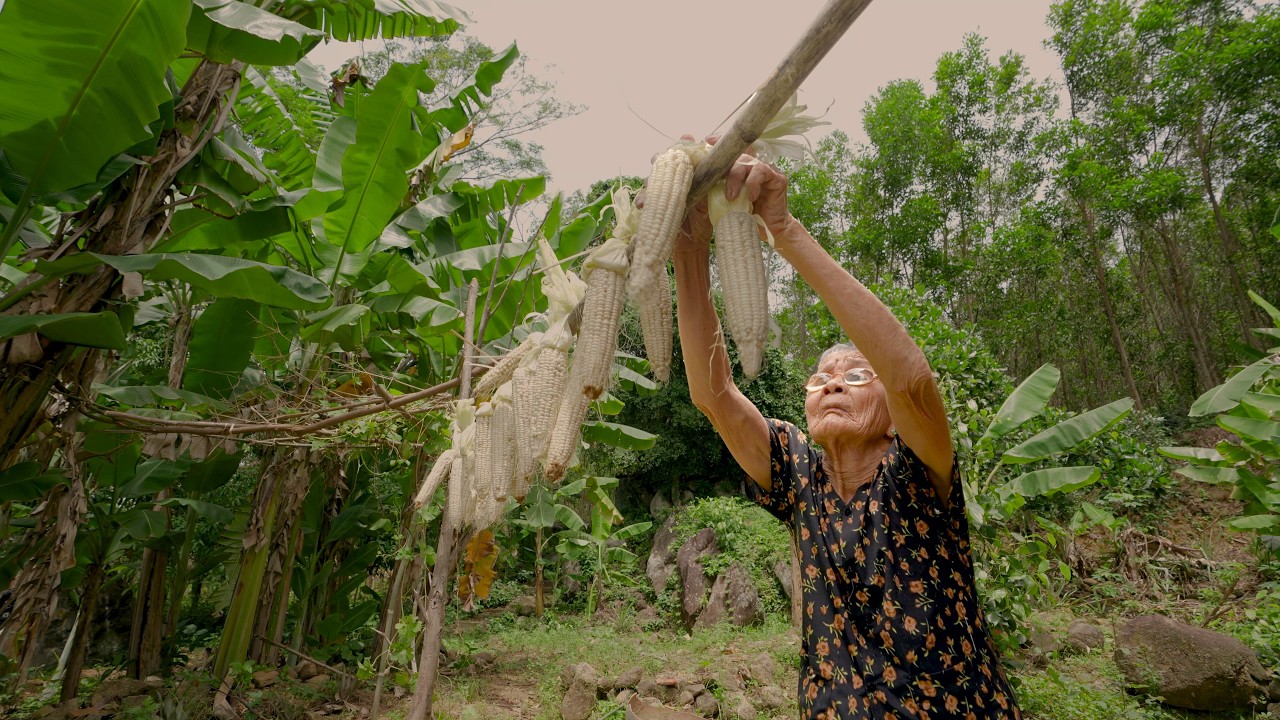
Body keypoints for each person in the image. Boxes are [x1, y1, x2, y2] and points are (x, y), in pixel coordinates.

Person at [665, 141, 1022, 719]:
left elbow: (909, 381)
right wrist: (689, 247)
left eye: (856, 375)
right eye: (819, 378)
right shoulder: (798, 474)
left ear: (889, 415)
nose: (831, 384)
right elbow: (715, 395)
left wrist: (782, 229)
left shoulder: (915, 471)